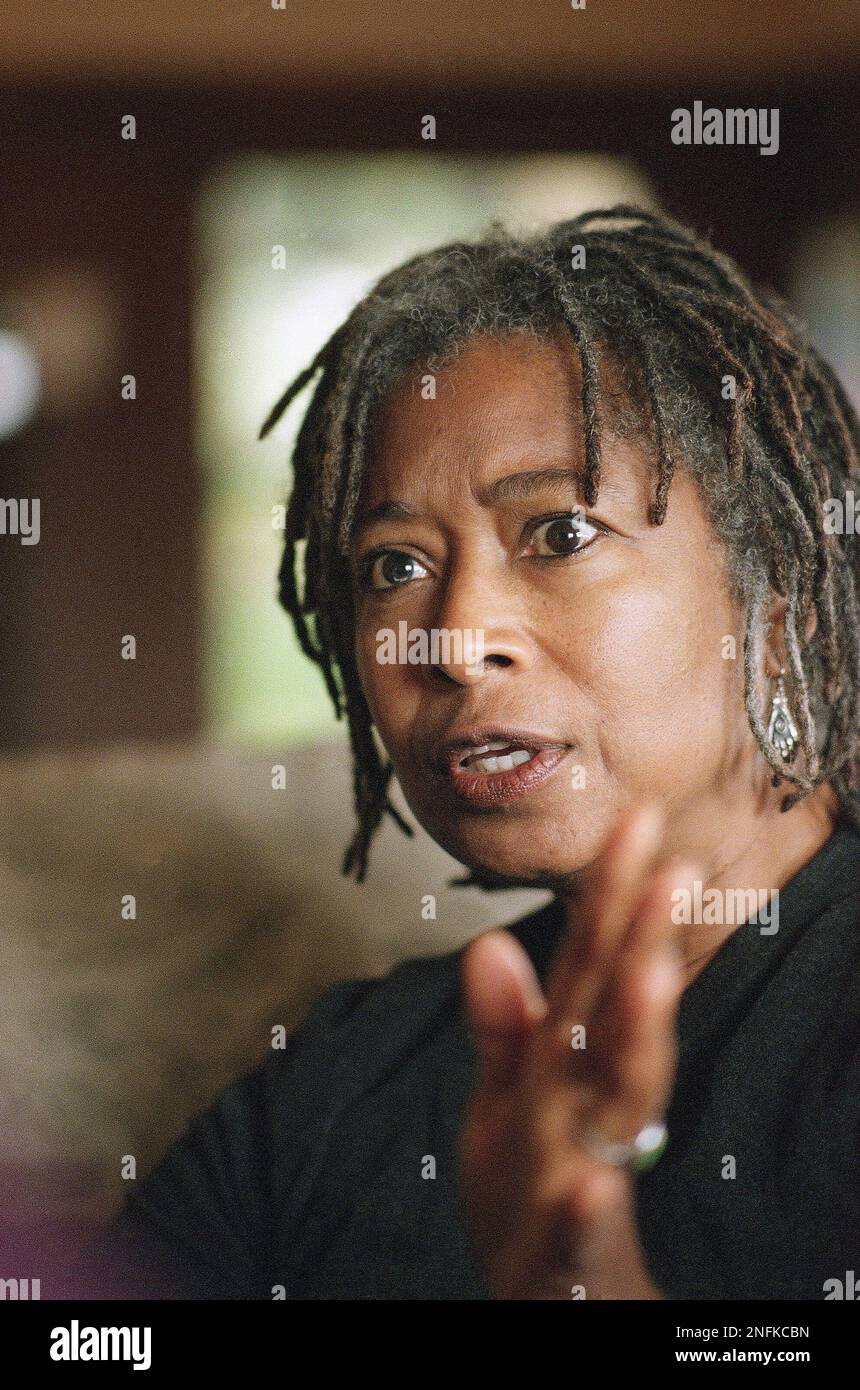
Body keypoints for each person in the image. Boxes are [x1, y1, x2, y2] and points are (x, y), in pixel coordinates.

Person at [96, 206, 860, 1299]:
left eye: (557, 533)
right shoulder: (340, 1087)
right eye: (390, 565)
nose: (452, 638)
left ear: (773, 594)